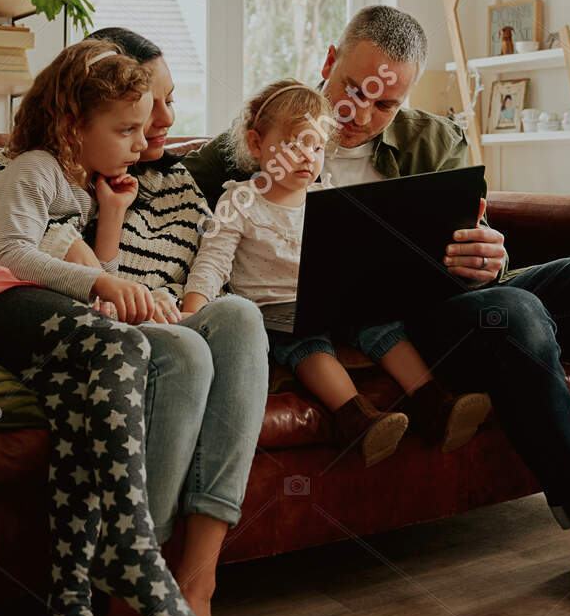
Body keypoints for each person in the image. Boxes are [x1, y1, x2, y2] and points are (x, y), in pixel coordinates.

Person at [183, 5, 570, 616]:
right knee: (517, 313)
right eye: (355, 90)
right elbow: (165, 194)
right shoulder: (270, 134)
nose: (364, 116)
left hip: (464, 301)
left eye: (385, 105)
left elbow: (477, 243)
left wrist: (490, 254)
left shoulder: (435, 140)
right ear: (329, 61)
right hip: (414, 332)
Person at [0, 28, 267, 616]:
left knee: (238, 318)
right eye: (142, 111)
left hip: (160, 311)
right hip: (99, 319)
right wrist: (80, 250)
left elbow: (213, 260)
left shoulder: (174, 180)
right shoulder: (30, 168)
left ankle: (196, 588)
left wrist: (177, 299)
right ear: (82, 119)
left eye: (167, 104)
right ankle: (135, 586)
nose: (162, 122)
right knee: (183, 351)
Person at [182, 79, 489, 467]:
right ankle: (356, 418)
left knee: (380, 322)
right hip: (276, 313)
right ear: (257, 144)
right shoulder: (240, 201)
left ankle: (433, 402)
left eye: (316, 146)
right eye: (294, 145)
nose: (307, 157)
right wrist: (192, 311)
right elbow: (212, 262)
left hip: (333, 298)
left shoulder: (325, 195)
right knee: (307, 342)